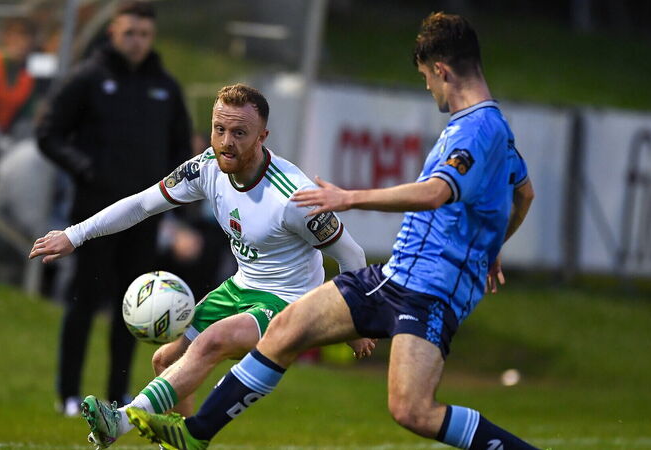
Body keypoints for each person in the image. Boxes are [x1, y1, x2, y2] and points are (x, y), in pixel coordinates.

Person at [125, 12, 539, 450]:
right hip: (396, 275)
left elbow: (436, 193)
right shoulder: (493, 129)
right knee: (285, 328)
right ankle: (195, 434)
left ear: (442, 70)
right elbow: (524, 195)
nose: (428, 88)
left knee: (412, 411)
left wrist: (348, 198)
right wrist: (493, 244)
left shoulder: (475, 130)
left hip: (432, 288)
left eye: (426, 78)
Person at [29, 83, 374, 449]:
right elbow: (142, 204)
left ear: (262, 137)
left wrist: (354, 320)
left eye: (240, 133)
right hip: (242, 287)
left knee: (212, 341)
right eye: (219, 129)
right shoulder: (206, 168)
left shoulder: (293, 197)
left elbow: (351, 254)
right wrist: (74, 235)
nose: (226, 141)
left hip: (290, 301)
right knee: (166, 361)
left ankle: (119, 421)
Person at [35, 0, 192, 416]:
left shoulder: (166, 87)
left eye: (143, 34)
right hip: (93, 213)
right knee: (83, 301)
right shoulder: (88, 78)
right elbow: (48, 134)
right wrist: (86, 170)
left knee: (134, 307)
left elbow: (182, 151)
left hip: (144, 217)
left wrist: (176, 209)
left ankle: (117, 393)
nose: (136, 42)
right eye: (129, 33)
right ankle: (69, 394)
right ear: (113, 33)